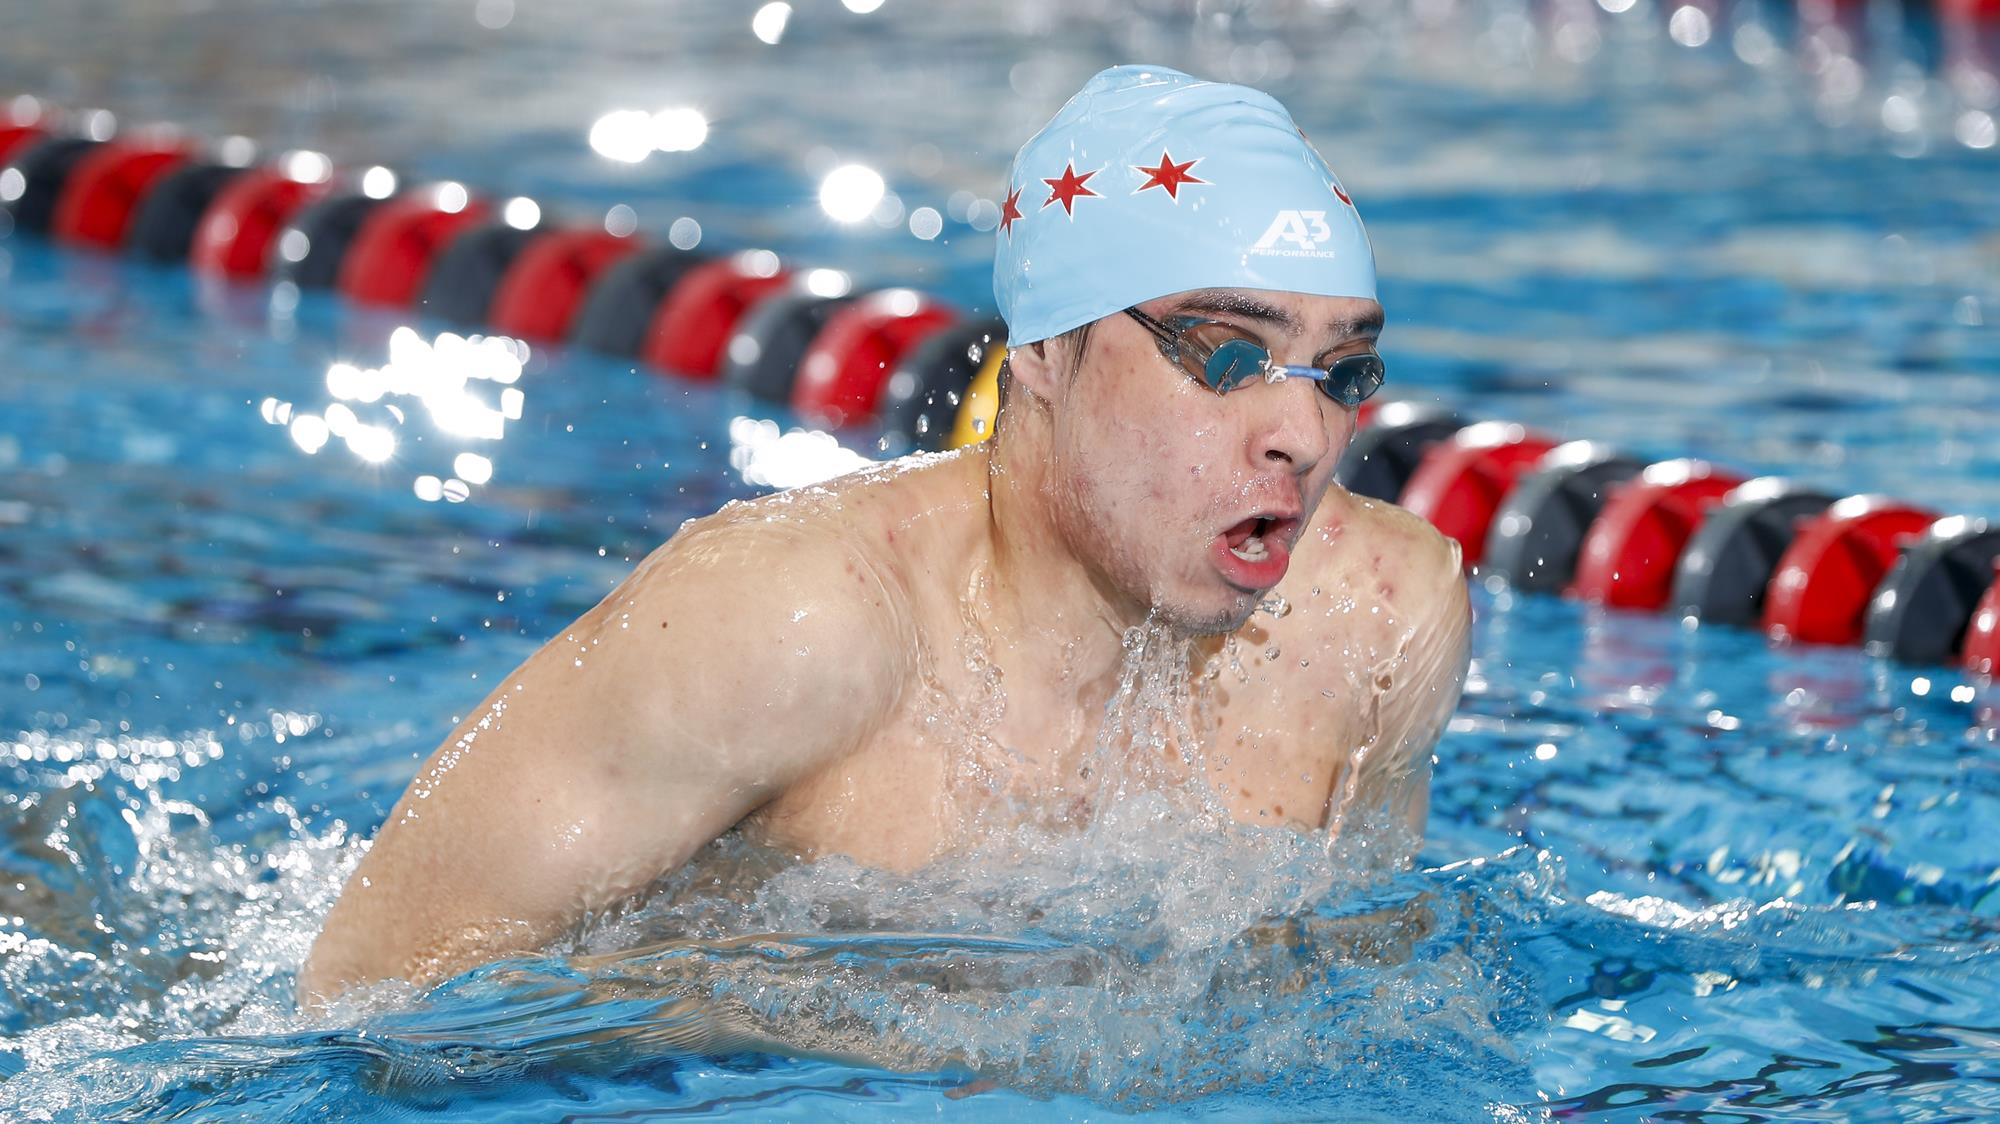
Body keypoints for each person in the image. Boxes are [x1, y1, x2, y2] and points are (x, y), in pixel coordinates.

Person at [299, 64, 1470, 1002]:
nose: (1302, 435)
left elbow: (1352, 1000)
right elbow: (376, 1003)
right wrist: (776, 1009)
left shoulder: (1374, 616)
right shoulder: (792, 626)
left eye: (1342, 369)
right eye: (1225, 355)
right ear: (1046, 357)